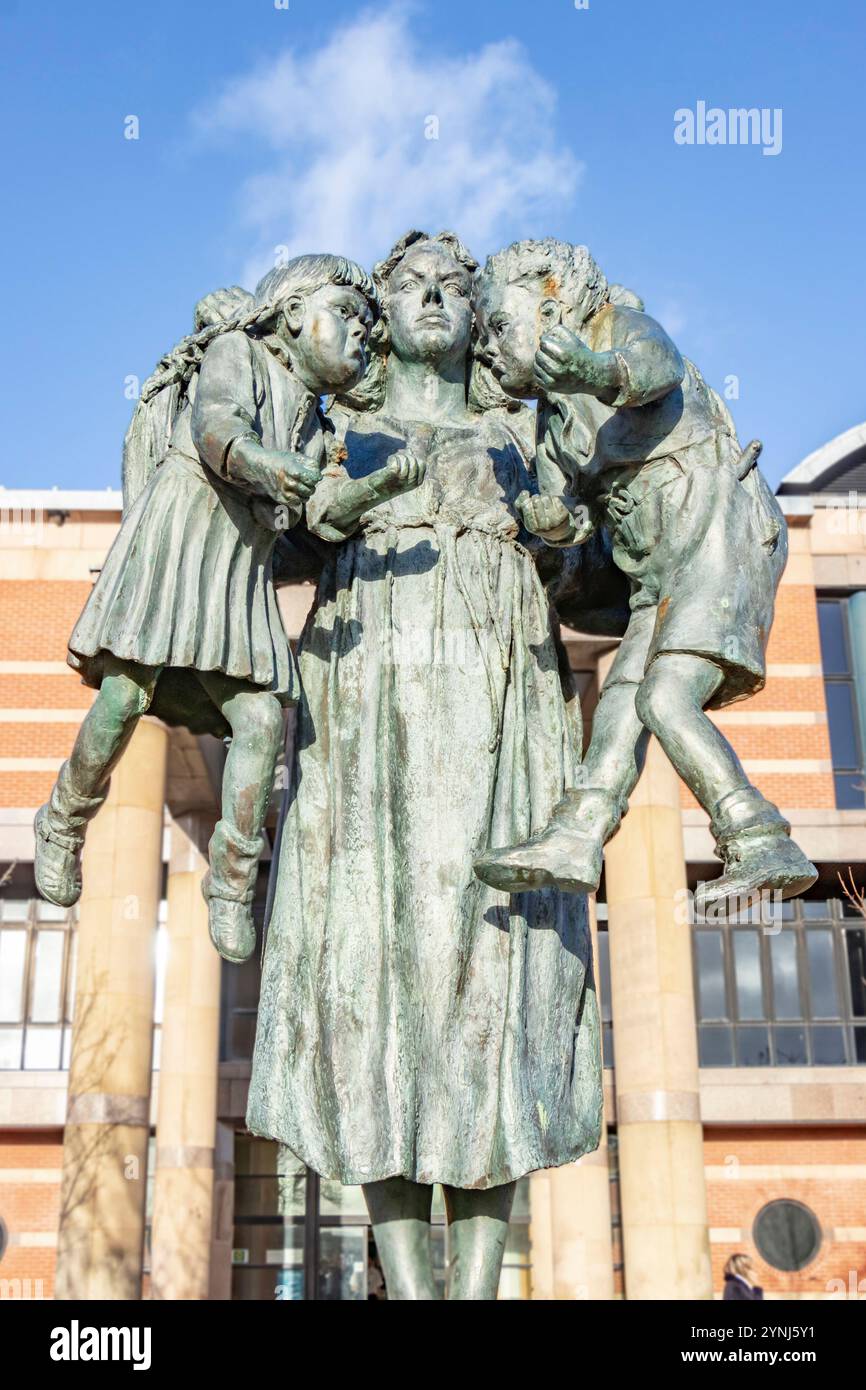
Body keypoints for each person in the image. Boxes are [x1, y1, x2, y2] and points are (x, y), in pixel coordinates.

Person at [246, 230, 602, 1300]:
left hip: (501, 710)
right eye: (411, 286)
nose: (438, 297)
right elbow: (275, 531)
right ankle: (408, 1284)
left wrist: (556, 532)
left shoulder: (520, 426)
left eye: (455, 285)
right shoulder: (334, 425)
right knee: (375, 979)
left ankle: (480, 1283)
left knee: (498, 984)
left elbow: (586, 561)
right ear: (379, 311)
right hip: (367, 718)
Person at [34, 254, 378, 963]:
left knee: (258, 717)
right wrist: (266, 465)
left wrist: (375, 491)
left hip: (237, 570)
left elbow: (318, 509)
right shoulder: (237, 354)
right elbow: (217, 430)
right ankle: (63, 821)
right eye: (346, 313)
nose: (360, 333)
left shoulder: (313, 422)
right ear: (291, 313)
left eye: (366, 326)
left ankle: (231, 882)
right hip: (182, 538)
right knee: (126, 693)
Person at [472, 238, 817, 915]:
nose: (487, 347)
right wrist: (553, 522)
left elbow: (652, 370)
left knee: (663, 699)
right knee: (623, 705)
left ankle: (760, 839)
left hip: (716, 530)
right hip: (656, 574)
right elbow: (569, 516)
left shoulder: (616, 328)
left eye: (497, 327)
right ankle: (576, 838)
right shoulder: (553, 421)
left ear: (549, 299)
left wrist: (594, 368)